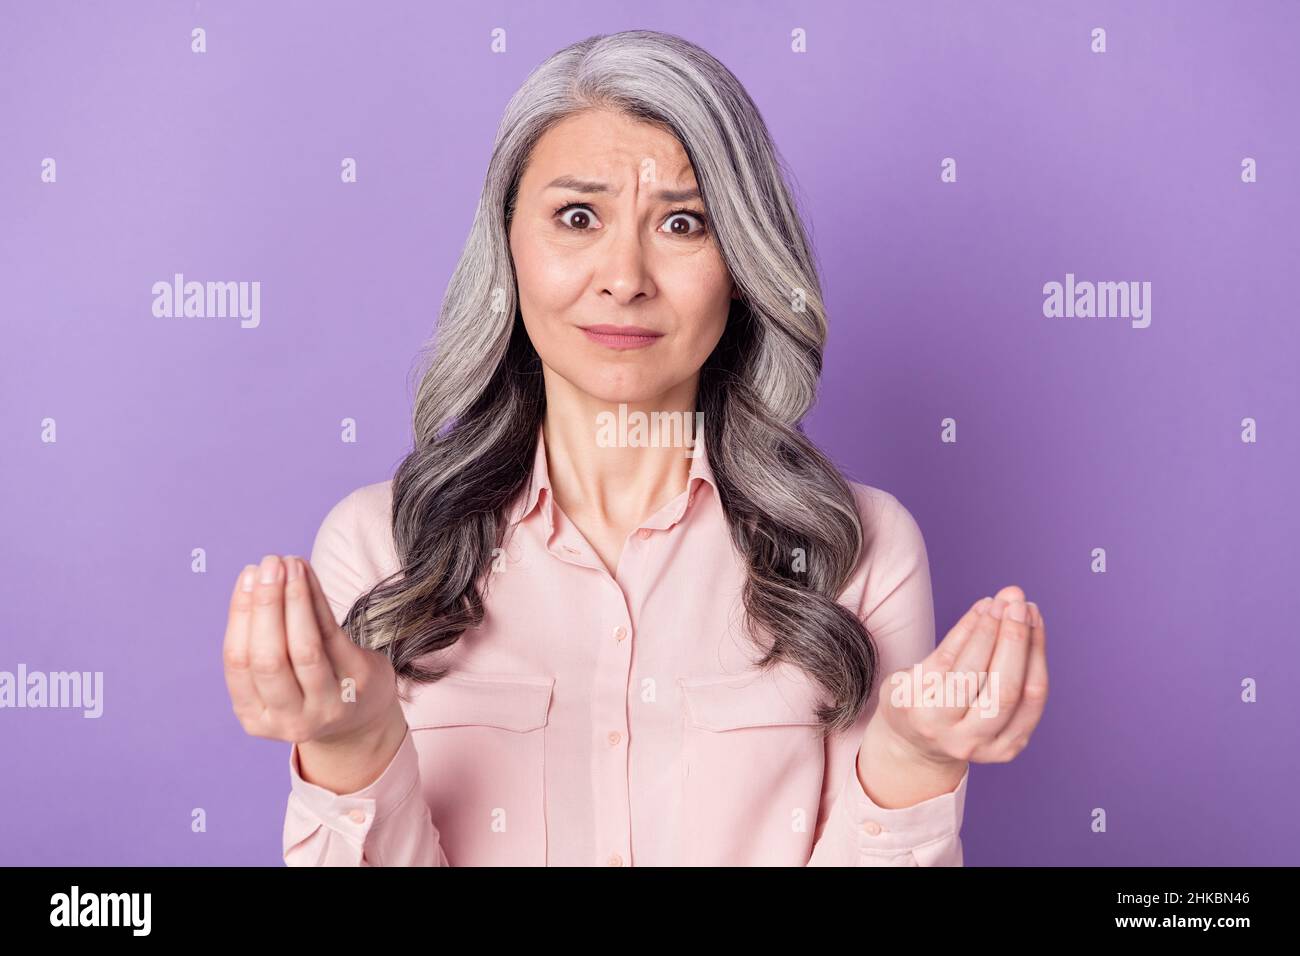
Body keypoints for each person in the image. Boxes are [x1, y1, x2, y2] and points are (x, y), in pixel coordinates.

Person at [222, 29, 1048, 867]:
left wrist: (915, 763)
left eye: (682, 223)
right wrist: (354, 748)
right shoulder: (380, 548)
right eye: (578, 217)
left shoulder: (859, 547)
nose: (625, 277)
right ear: (509, 246)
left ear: (742, 260)